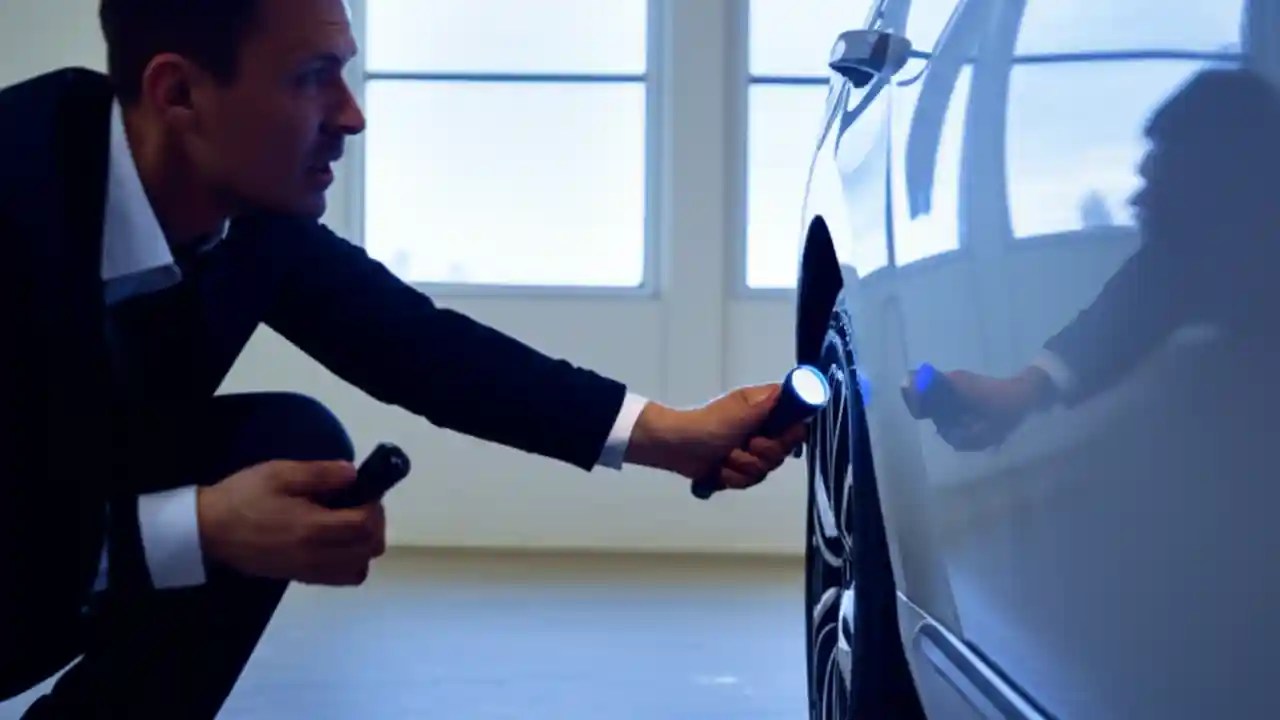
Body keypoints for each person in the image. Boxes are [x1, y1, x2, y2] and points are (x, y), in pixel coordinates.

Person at [0, 0, 809, 717]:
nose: (350, 117)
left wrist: (669, 433)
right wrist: (202, 527)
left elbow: (421, 348)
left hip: (54, 551)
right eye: (310, 78)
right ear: (177, 93)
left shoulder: (246, 219)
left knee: (291, 446)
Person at [920, 67, 1280, 452]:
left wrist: (1022, 392)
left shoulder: (1205, 246)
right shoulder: (1185, 262)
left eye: (1167, 165)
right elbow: (1158, 279)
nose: (1137, 200)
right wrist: (1025, 390)